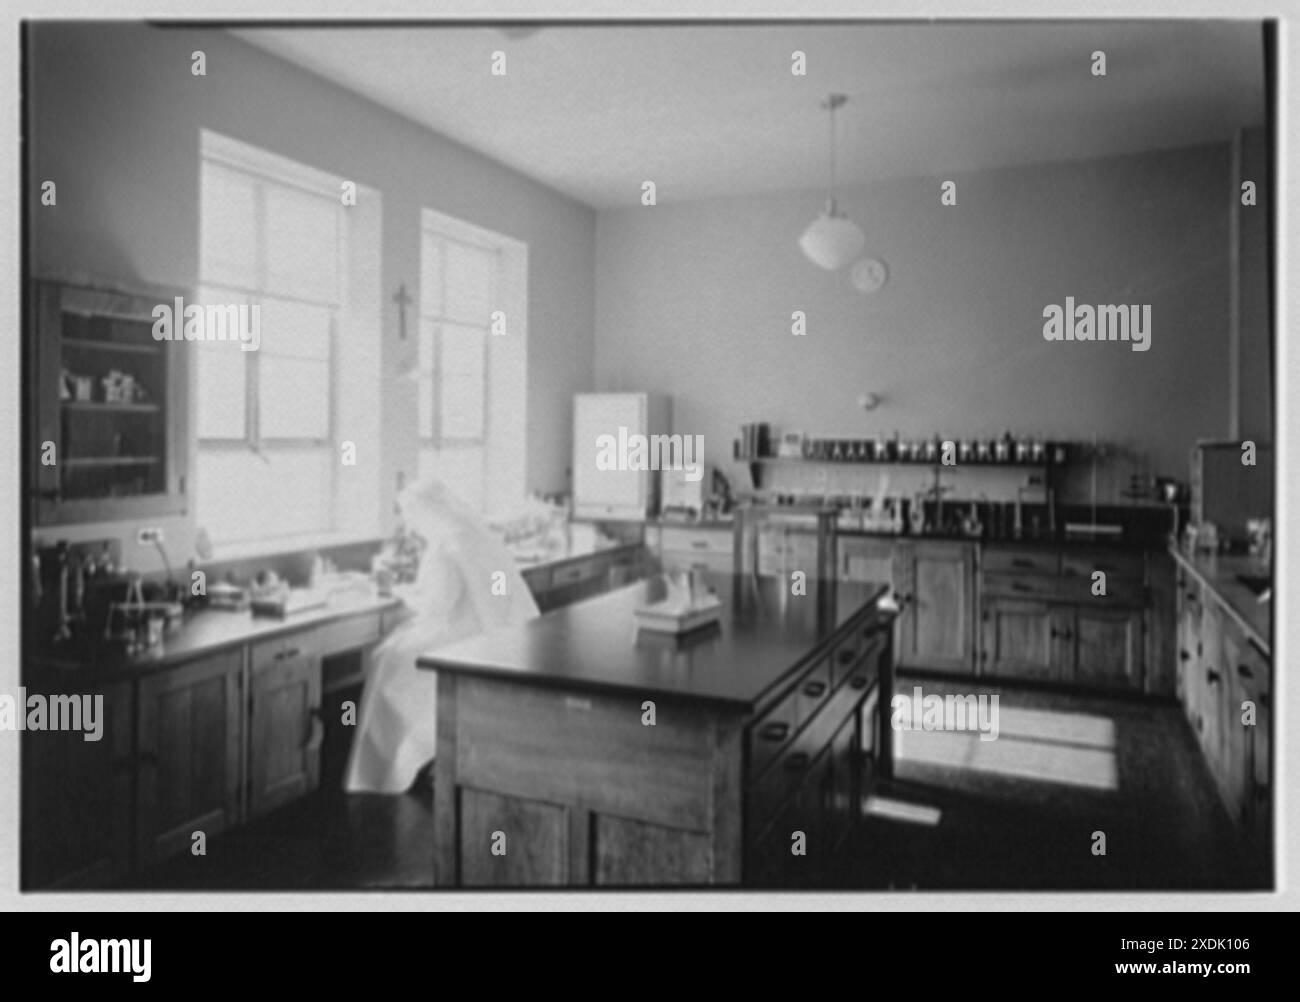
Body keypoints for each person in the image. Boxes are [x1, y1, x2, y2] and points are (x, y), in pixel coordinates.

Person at [344, 476, 539, 793]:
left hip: (456, 633)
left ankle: (393, 757)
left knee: (386, 658)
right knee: (394, 651)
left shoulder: (446, 546)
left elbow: (440, 604)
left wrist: (403, 594)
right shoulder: (470, 537)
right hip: (482, 631)